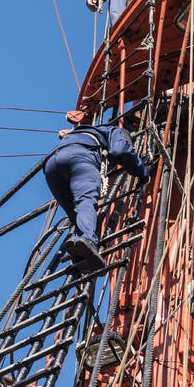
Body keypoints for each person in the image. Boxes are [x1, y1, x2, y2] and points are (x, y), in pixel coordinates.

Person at [43, 111, 149, 272]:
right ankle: (86, 240)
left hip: (51, 165)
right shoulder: (113, 131)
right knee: (86, 202)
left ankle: (79, 250)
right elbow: (121, 151)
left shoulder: (85, 132)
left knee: (76, 214)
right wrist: (142, 171)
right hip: (80, 157)